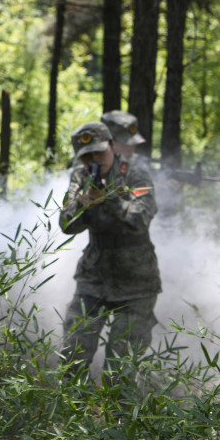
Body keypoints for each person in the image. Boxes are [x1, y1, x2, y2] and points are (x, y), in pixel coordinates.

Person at [59, 121, 161, 380]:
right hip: (94, 277)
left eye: (99, 152)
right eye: (87, 155)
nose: (94, 159)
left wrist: (110, 198)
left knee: (121, 366)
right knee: (73, 353)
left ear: (113, 146)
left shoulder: (135, 173)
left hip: (137, 281)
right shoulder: (81, 176)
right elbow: (66, 225)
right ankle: (69, 414)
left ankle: (119, 419)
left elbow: (140, 219)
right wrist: (83, 206)